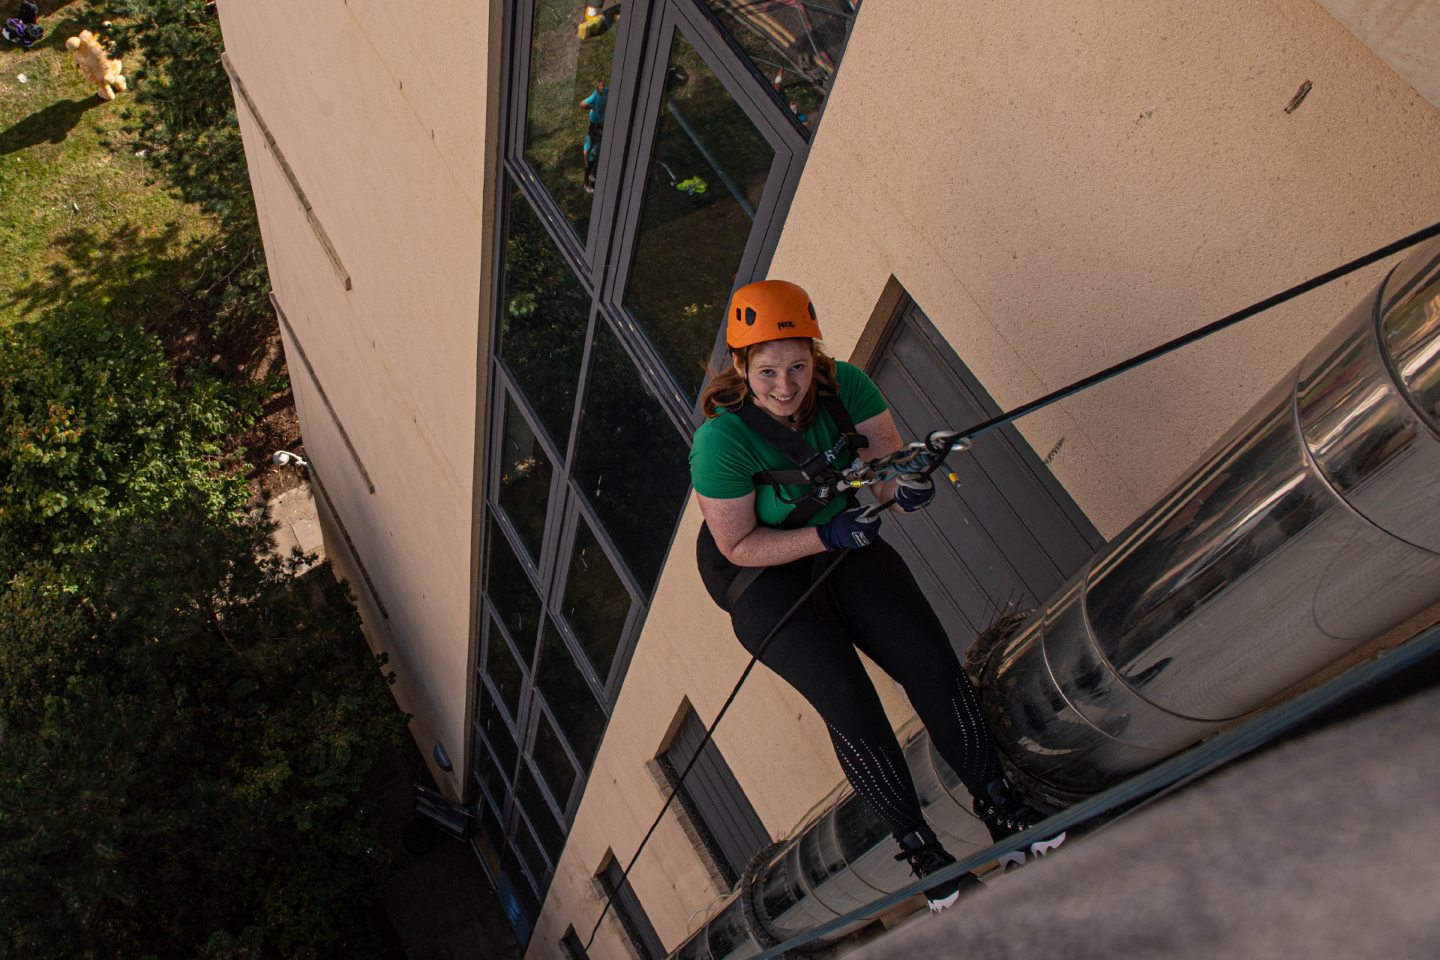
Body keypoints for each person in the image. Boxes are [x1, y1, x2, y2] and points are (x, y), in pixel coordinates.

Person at [689, 279, 1063, 912]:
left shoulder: (848, 388)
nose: (786, 386)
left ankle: (1002, 807)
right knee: (851, 704)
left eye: (799, 366)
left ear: (816, 355)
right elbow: (739, 546)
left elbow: (888, 474)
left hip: (841, 540)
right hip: (761, 577)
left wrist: (909, 490)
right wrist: (828, 531)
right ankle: (921, 851)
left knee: (930, 663)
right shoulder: (721, 442)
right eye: (768, 371)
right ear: (740, 365)